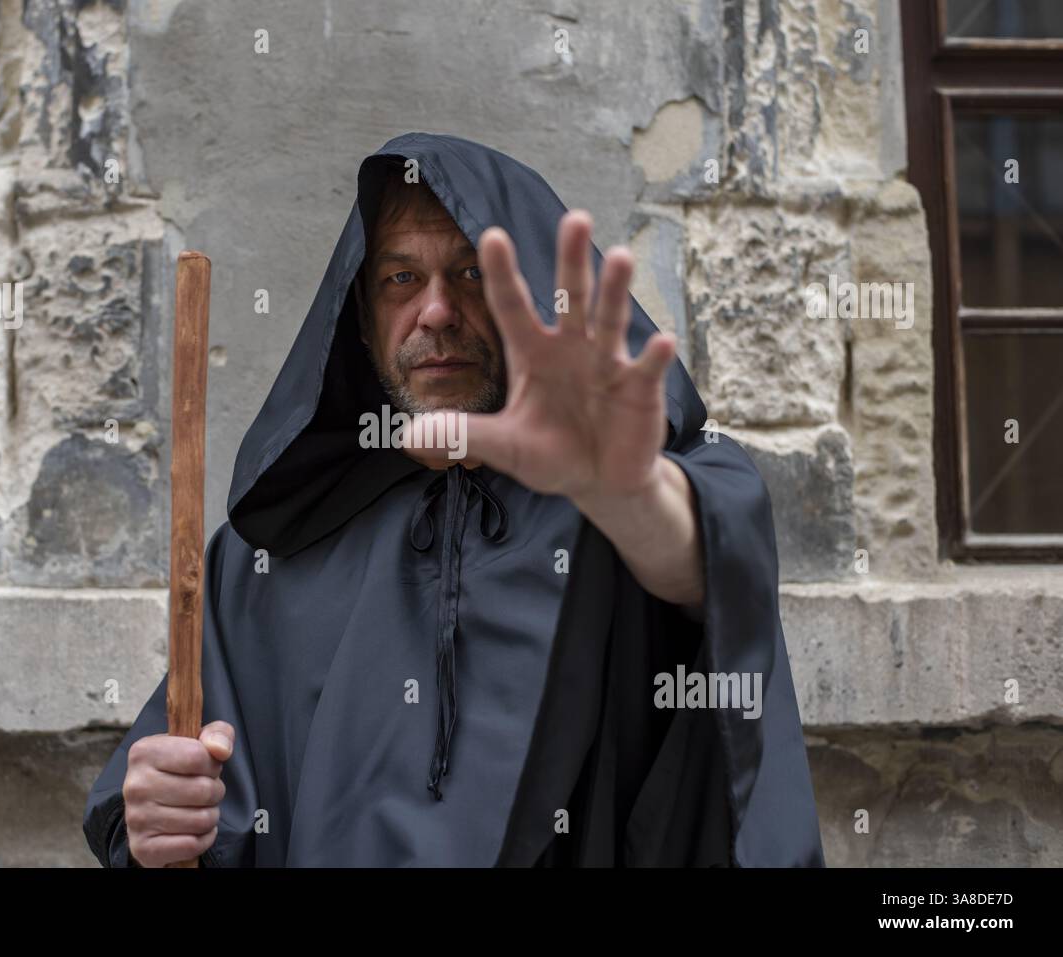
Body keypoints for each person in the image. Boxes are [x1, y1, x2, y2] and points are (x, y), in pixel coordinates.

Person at [83, 132, 824, 867]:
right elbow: (174, 800)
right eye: (401, 279)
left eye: (470, 274)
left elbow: (705, 561)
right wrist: (155, 819)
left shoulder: (641, 494)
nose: (436, 311)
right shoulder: (267, 555)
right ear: (361, 316)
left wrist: (617, 487)